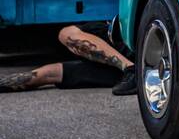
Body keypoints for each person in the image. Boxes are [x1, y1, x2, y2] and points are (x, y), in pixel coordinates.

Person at [0, 21, 136, 95]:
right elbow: (46, 75)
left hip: (132, 51)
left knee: (66, 34)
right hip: (129, 70)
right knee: (51, 71)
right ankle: (131, 69)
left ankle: (130, 68)